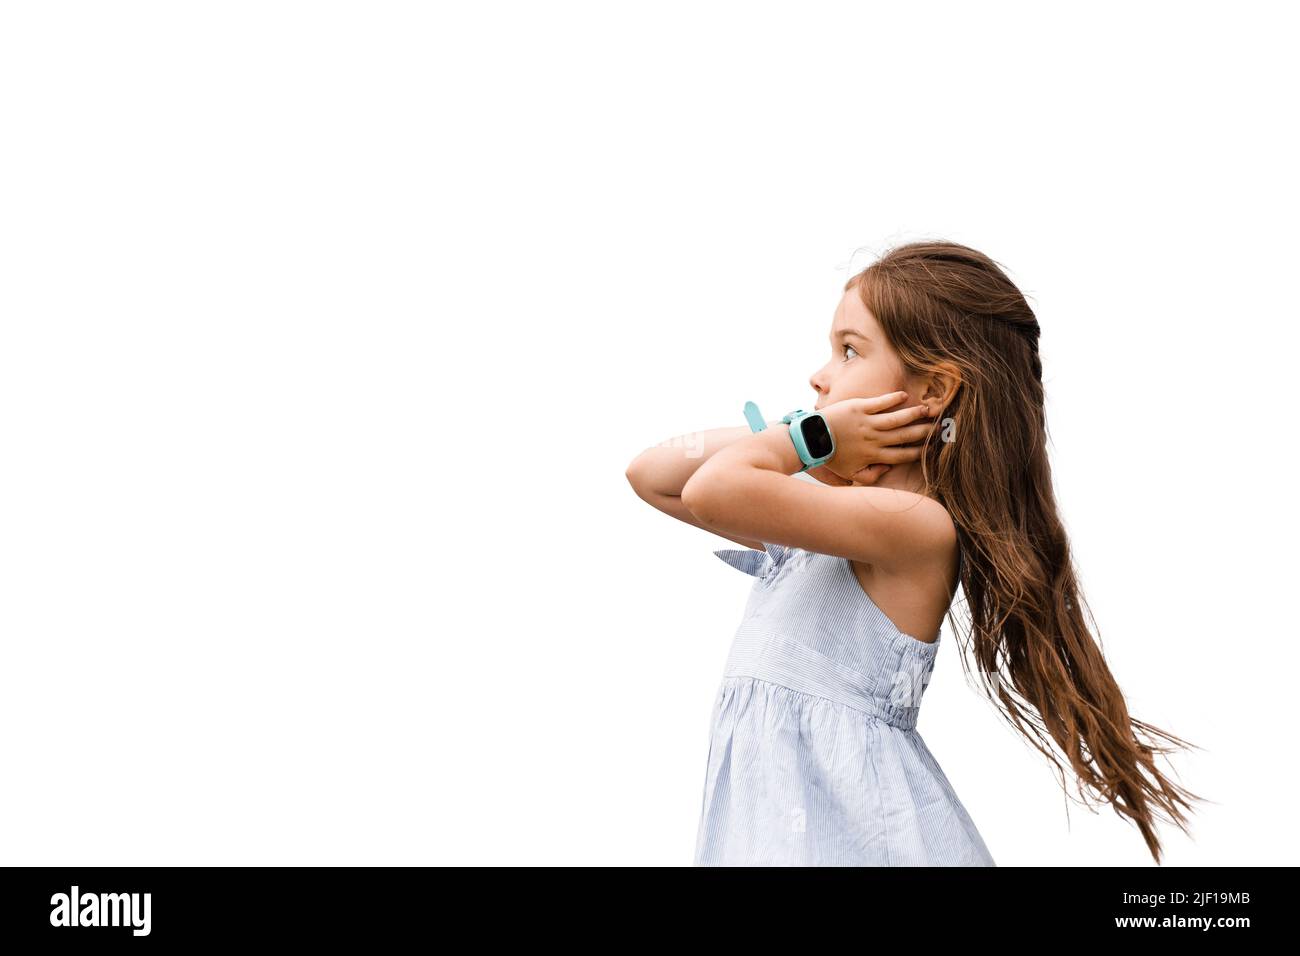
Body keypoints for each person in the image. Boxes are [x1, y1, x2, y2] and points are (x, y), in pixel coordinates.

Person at [625, 240, 1205, 865]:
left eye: (849, 350)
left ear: (933, 388)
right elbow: (652, 471)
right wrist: (812, 442)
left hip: (866, 838)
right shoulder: (824, 511)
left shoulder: (914, 526)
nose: (819, 376)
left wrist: (810, 436)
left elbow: (712, 489)